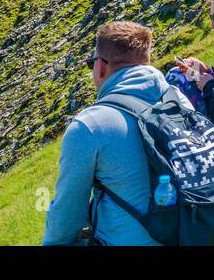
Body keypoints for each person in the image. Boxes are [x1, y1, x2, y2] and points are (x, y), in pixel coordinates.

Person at [43, 22, 193, 245]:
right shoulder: (178, 101)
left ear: (101, 66)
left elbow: (67, 216)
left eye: (91, 63)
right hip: (191, 235)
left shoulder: (90, 125)